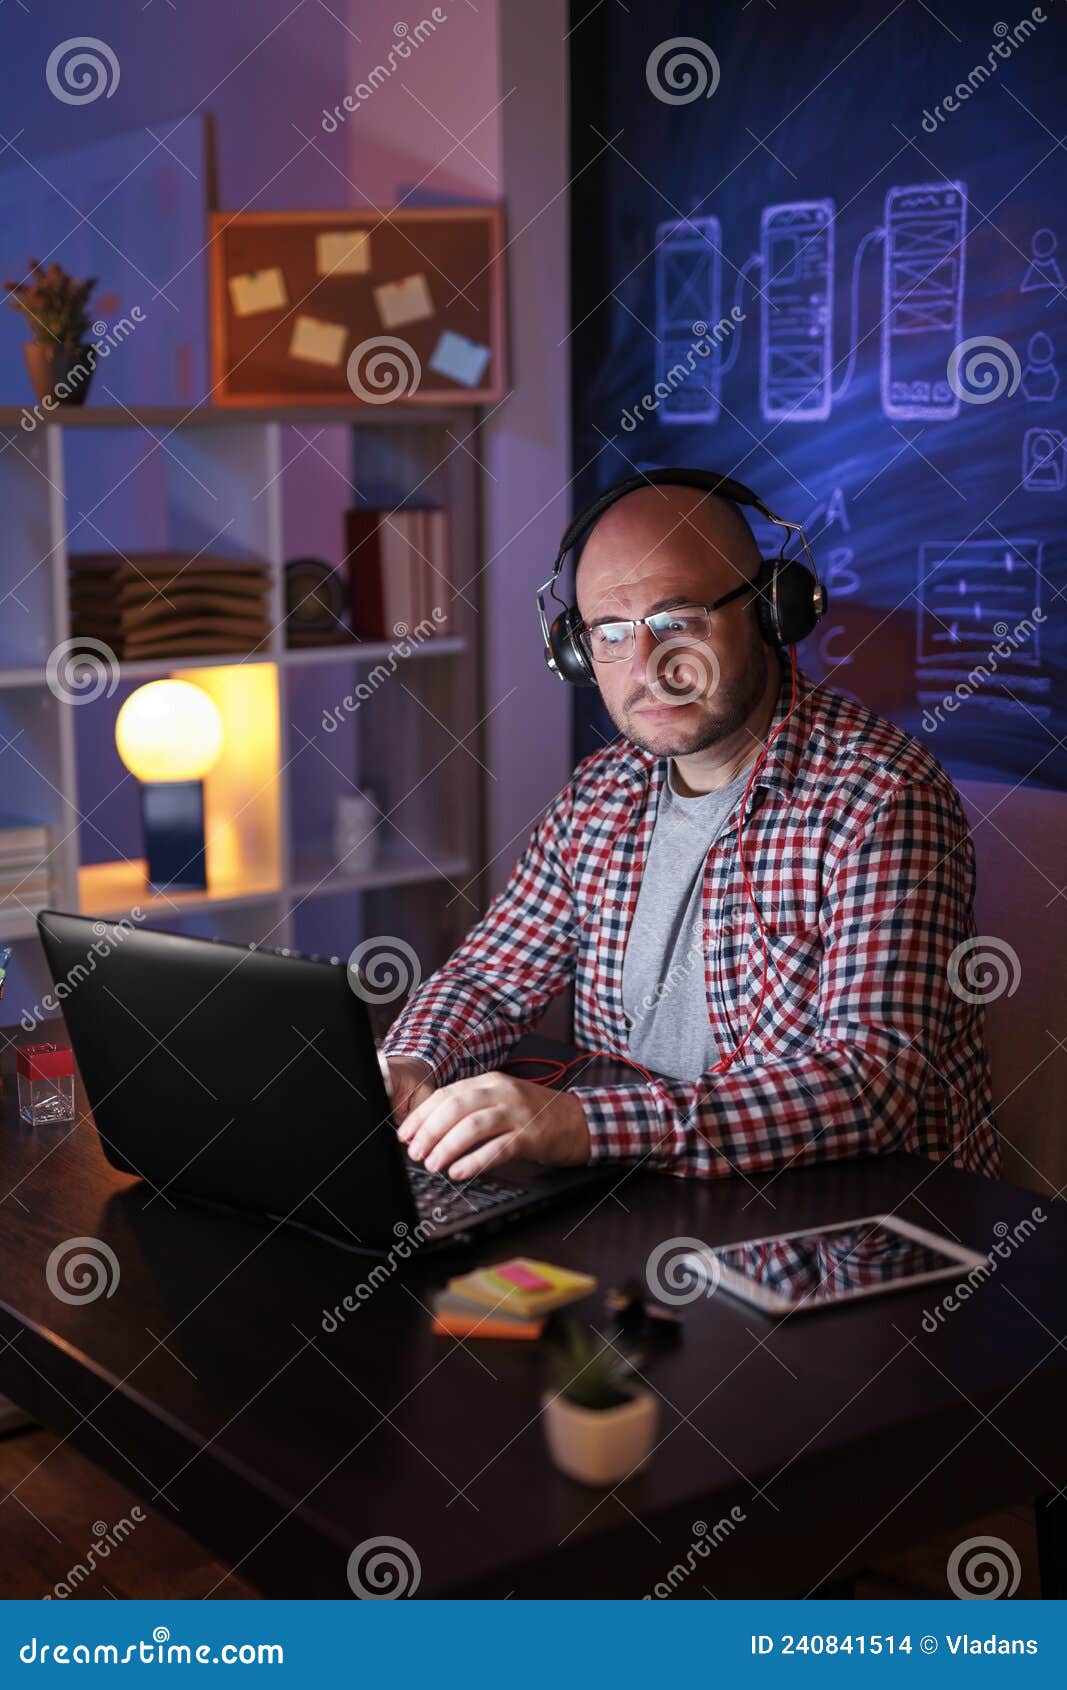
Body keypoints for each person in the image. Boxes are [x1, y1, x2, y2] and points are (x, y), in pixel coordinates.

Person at [381, 480, 1001, 1185]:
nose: (647, 668)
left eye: (676, 619)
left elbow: (869, 1085)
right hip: (648, 1203)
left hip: (856, 1231)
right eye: (609, 633)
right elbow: (492, 978)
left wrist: (579, 1123)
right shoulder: (600, 793)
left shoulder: (879, 795)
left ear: (771, 611)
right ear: (576, 654)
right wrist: (412, 1061)